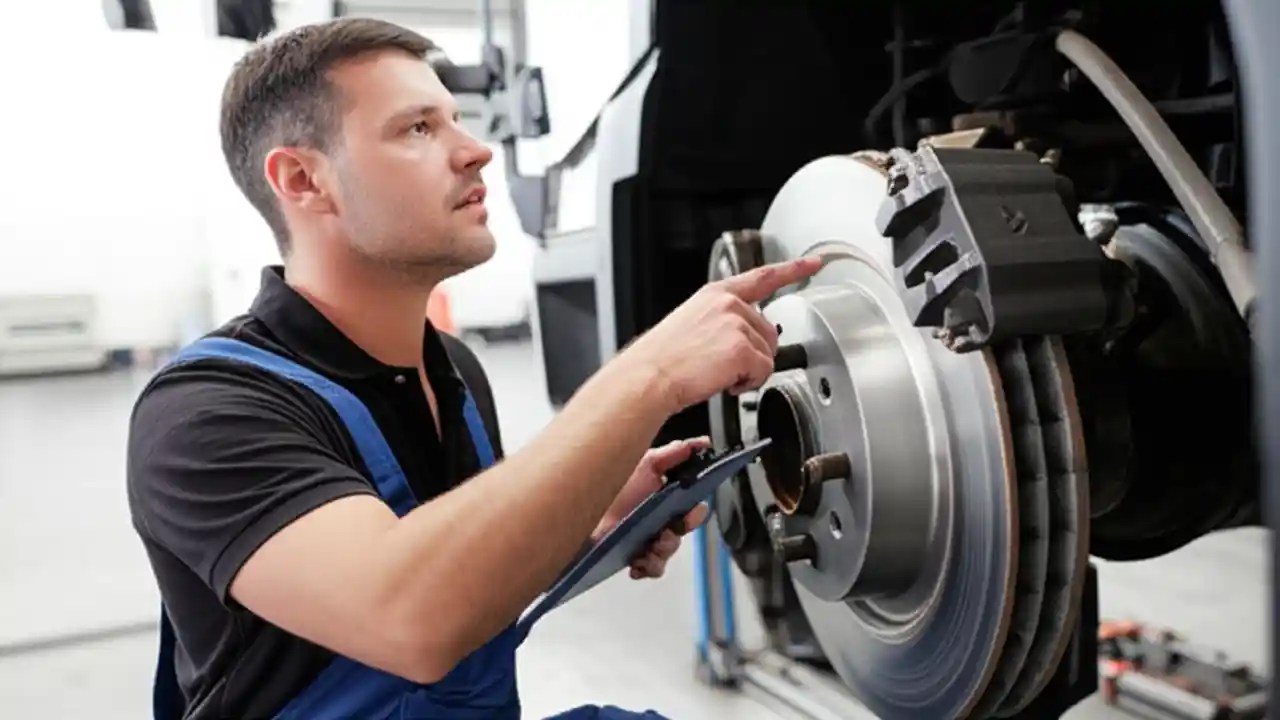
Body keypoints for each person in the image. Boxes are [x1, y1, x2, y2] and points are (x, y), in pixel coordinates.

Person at [126, 17, 821, 720]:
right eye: (418, 129)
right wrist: (649, 372)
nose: (477, 151)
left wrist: (590, 516)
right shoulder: (205, 414)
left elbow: (461, 575)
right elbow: (410, 617)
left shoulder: (451, 369)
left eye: (457, 120)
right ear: (304, 179)